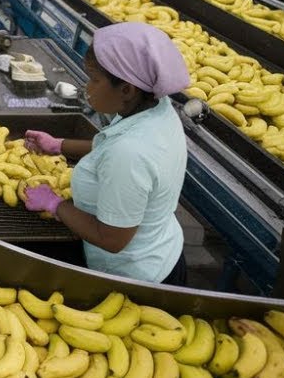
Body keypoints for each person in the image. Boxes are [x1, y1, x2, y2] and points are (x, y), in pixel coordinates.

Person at [21, 22, 192, 285]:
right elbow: (111, 146)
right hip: (163, 249)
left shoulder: (130, 153)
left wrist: (55, 204)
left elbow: (112, 240)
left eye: (94, 79)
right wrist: (59, 145)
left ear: (127, 89)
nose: (87, 87)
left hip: (136, 279)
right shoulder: (154, 109)